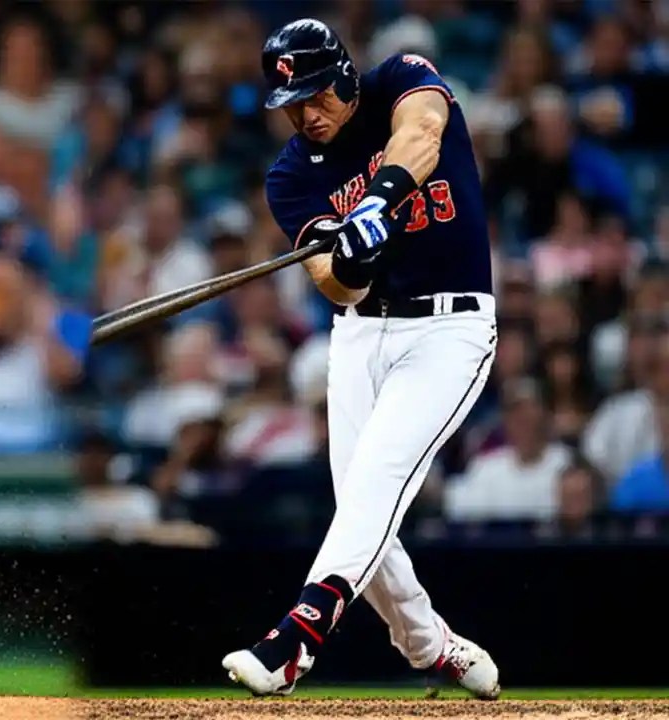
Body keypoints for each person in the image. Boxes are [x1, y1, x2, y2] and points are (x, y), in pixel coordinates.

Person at [220, 19, 500, 700]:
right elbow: (336, 283)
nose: (306, 115)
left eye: (317, 97)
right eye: (291, 104)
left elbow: (423, 134)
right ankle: (432, 646)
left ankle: (297, 638)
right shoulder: (290, 175)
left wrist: (379, 201)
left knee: (375, 482)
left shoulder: (399, 79)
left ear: (345, 77)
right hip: (359, 333)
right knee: (361, 511)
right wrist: (350, 255)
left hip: (448, 329)